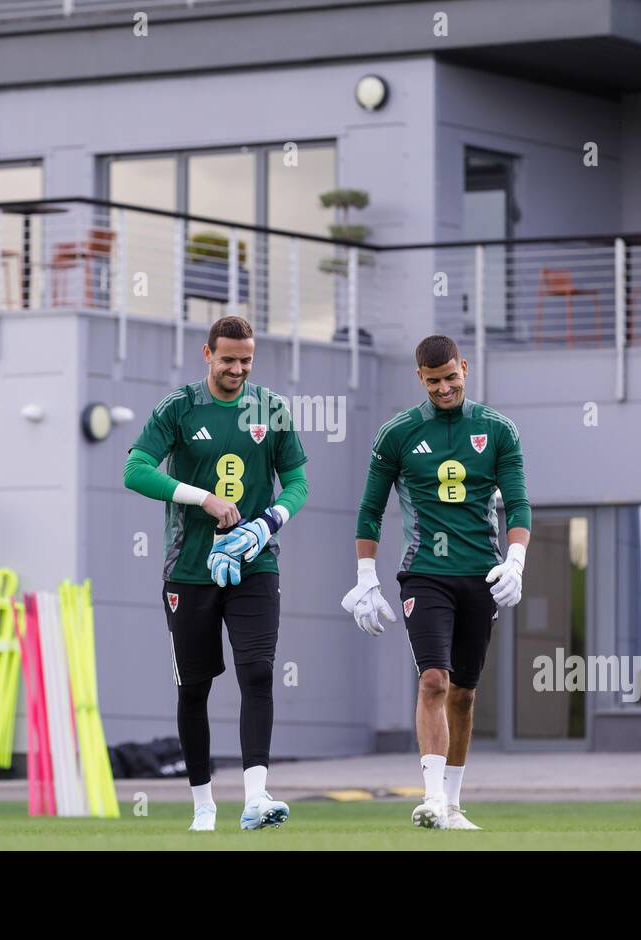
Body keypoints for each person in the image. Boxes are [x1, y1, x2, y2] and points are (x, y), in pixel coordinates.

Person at [122, 315, 308, 831]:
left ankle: (255, 796)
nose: (237, 369)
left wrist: (268, 522)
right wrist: (200, 497)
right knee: (194, 688)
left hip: (254, 563)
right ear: (207, 354)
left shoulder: (270, 408)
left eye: (246, 360)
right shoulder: (179, 408)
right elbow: (135, 469)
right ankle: (203, 804)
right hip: (190, 570)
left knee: (259, 671)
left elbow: (296, 482)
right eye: (228, 359)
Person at [343, 334, 531, 830]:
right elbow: (369, 509)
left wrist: (515, 560)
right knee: (433, 680)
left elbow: (517, 502)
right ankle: (430, 800)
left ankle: (452, 803)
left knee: (464, 695)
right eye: (433, 381)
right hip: (425, 573)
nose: (444, 388)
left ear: (463, 368)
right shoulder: (397, 433)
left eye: (451, 377)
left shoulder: (497, 429)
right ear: (419, 379)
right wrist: (366, 576)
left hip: (480, 574)